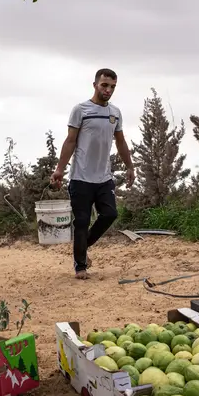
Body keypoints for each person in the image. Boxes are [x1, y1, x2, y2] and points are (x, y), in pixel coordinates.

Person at [50, 69, 135, 279]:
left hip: (104, 177)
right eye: (104, 85)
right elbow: (70, 141)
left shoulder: (115, 113)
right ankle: (80, 266)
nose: (108, 90)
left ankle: (82, 247)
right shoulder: (81, 110)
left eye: (112, 86)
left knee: (110, 214)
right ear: (95, 84)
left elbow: (121, 141)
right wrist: (60, 169)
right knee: (81, 221)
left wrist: (130, 166)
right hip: (80, 178)